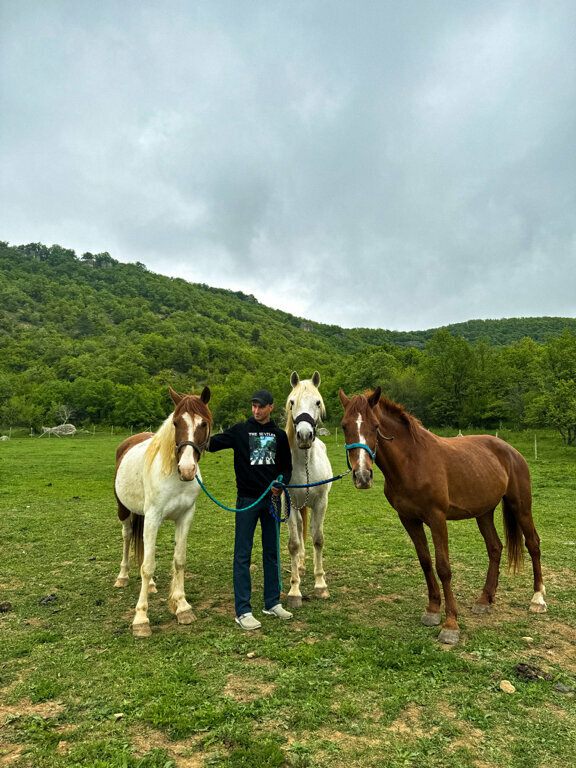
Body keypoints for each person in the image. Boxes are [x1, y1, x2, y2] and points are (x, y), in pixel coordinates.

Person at [207, 388, 294, 630]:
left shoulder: (279, 435)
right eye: (253, 406)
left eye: (261, 406)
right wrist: (194, 430)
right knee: (242, 555)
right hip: (247, 501)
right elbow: (211, 444)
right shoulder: (240, 431)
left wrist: (281, 484)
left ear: (271, 407)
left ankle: (272, 602)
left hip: (271, 502)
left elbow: (286, 468)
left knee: (272, 552)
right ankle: (243, 610)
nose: (256, 410)